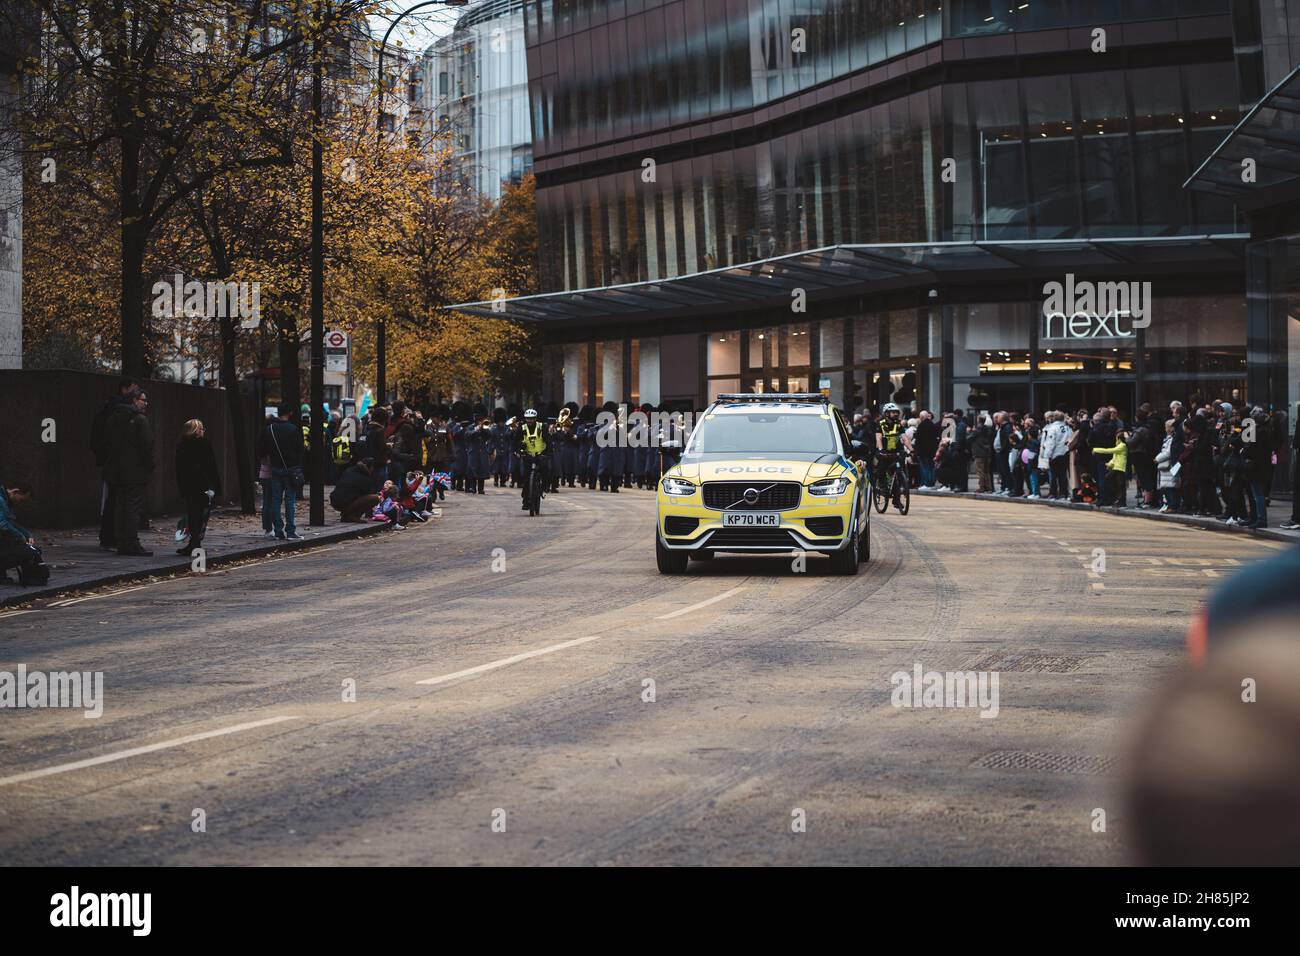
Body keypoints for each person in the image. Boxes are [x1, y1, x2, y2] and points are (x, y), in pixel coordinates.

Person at [89, 377, 139, 551]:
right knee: (115, 501)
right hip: (116, 462)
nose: (137, 394)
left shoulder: (110, 408)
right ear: (125, 389)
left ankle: (110, 537)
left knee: (112, 500)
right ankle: (111, 537)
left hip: (110, 460)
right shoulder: (120, 410)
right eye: (134, 389)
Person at [105, 387, 155, 556]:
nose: (146, 403)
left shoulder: (113, 418)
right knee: (133, 507)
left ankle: (121, 542)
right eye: (143, 400)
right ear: (134, 400)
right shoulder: (140, 420)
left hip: (116, 470)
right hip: (135, 471)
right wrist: (150, 466)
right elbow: (146, 447)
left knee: (120, 505)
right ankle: (132, 543)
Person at [257, 405, 304, 541]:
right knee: (290, 500)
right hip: (290, 468)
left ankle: (278, 530)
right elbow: (299, 449)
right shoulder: (293, 429)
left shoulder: (270, 429)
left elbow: (263, 449)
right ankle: (290, 530)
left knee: (276, 500)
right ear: (290, 412)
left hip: (275, 468)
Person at [174, 419, 221, 555]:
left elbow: (179, 469)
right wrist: (213, 486)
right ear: (196, 430)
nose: (203, 431)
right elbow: (211, 466)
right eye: (201, 428)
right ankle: (196, 544)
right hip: (203, 486)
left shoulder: (182, 445)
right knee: (200, 516)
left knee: (192, 514)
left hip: (189, 485)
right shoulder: (204, 444)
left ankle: (193, 543)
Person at [0, 485, 43, 585]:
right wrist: (20, 537)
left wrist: (27, 534)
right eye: (21, 500)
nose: (20, 503)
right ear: (16, 492)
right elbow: (2, 523)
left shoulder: (5, 501)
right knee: (29, 552)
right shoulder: (1, 500)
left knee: (33, 550)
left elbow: (10, 523)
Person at [517, 407, 549, 509]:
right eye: (528, 418)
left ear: (535, 419)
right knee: (526, 477)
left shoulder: (542, 427)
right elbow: (516, 441)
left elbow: (549, 441)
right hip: (528, 455)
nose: (529, 420)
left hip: (540, 454)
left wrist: (547, 453)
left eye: (532, 418)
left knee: (546, 470)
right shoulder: (521, 427)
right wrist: (518, 451)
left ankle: (544, 487)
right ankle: (526, 500)